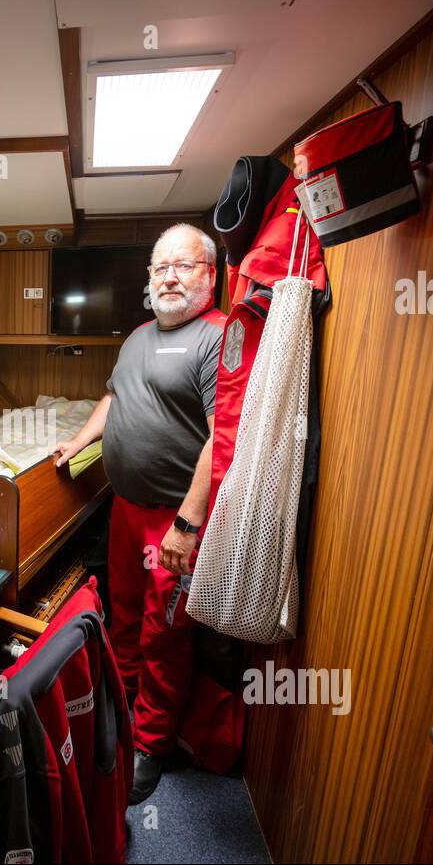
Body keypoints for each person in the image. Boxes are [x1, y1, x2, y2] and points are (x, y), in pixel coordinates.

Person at [52, 222, 261, 803]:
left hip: (174, 519)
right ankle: (120, 714)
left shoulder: (221, 335)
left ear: (210, 274)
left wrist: (189, 526)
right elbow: (115, 397)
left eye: (183, 266)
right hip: (125, 509)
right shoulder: (139, 335)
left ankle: (151, 743)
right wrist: (80, 442)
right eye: (160, 267)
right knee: (121, 619)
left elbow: (224, 436)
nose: (169, 276)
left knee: (163, 634)